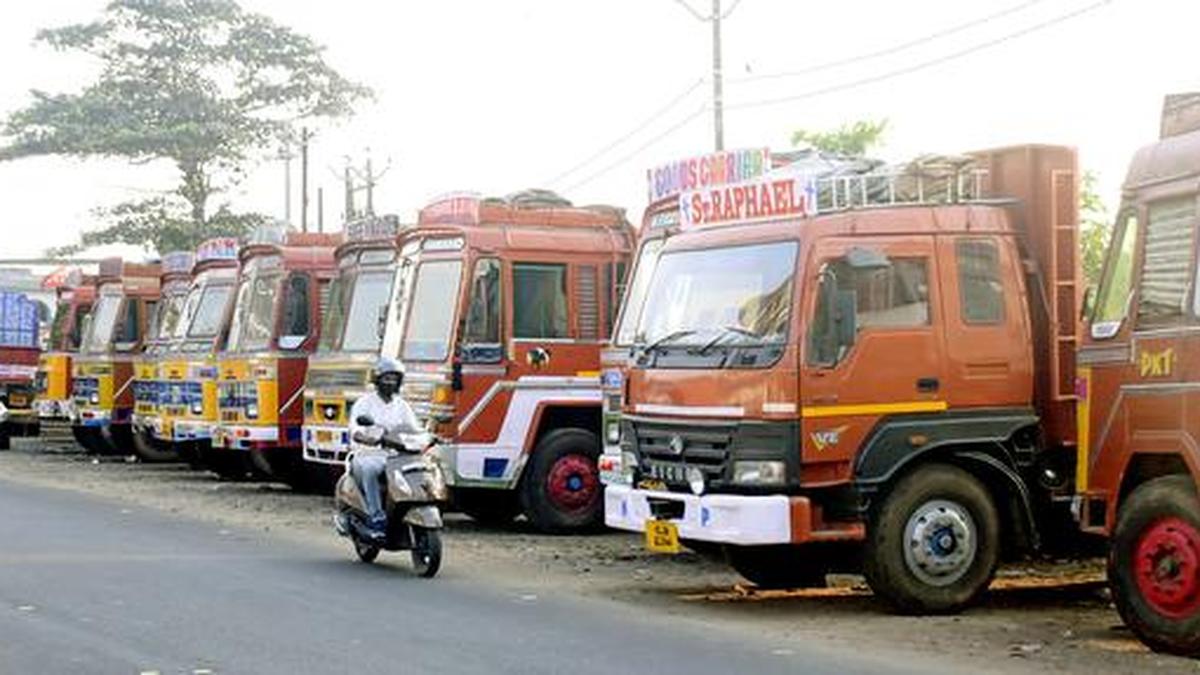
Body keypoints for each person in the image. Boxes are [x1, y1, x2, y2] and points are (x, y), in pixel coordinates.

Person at [347, 357, 421, 541]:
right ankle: (376, 517)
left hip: (395, 455)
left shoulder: (402, 405)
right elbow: (355, 430)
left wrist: (428, 436)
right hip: (367, 454)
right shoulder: (364, 403)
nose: (390, 382)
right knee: (371, 469)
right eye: (387, 378)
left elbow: (415, 428)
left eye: (394, 379)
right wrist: (368, 439)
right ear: (377, 380)